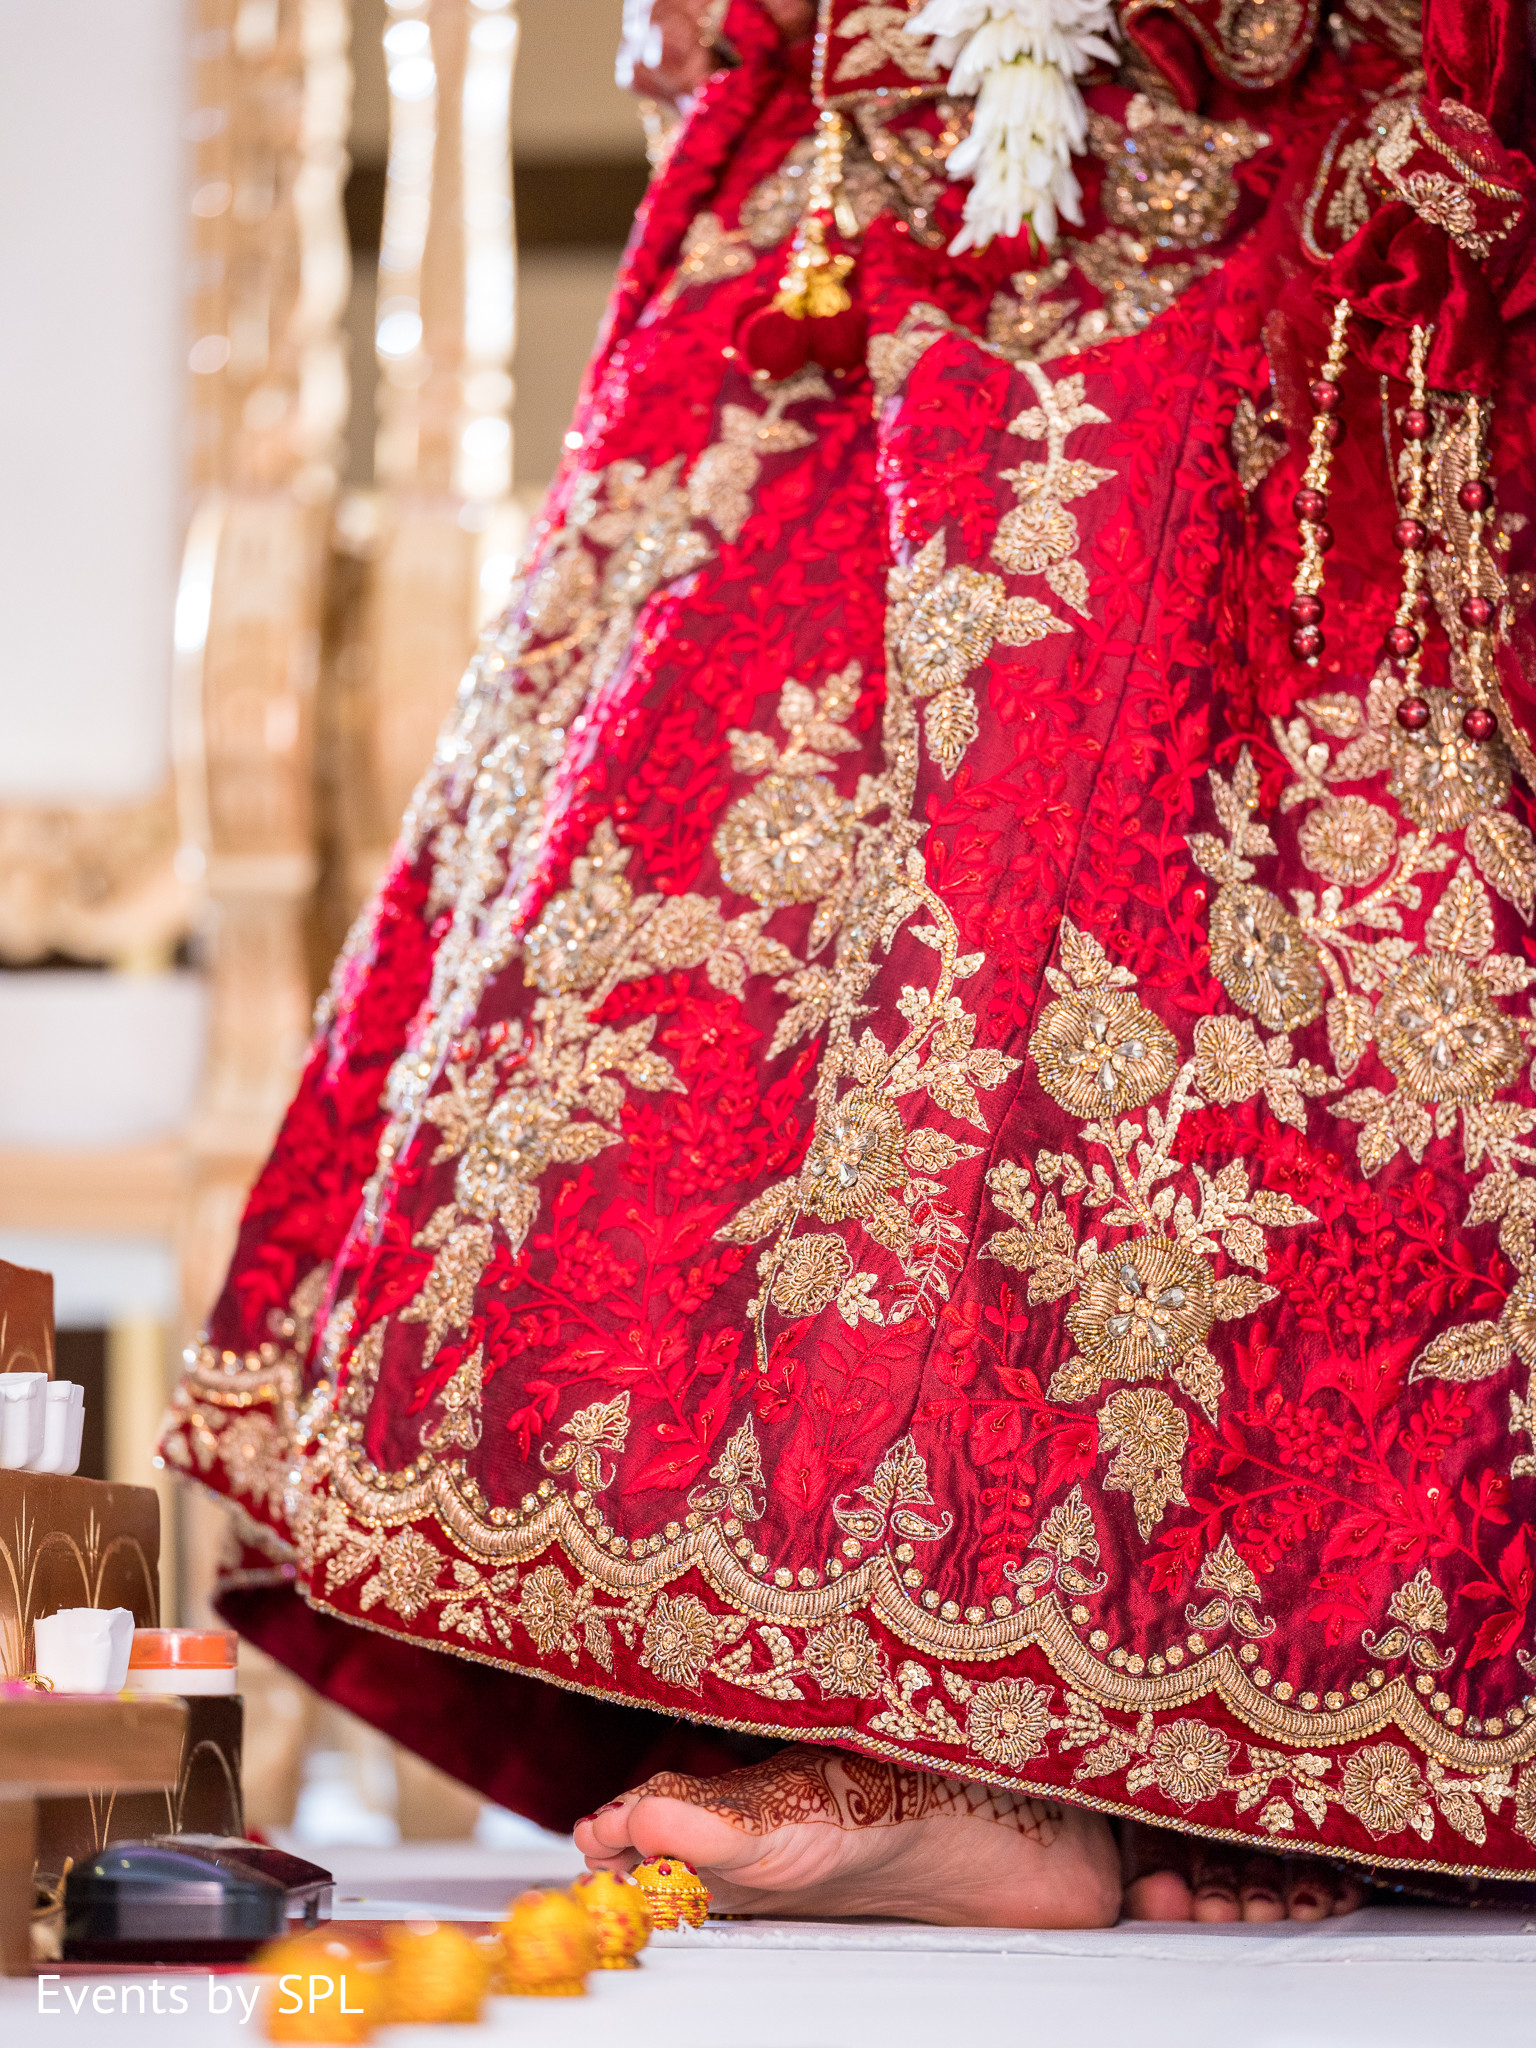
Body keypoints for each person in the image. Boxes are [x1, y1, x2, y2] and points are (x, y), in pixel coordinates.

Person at [164, 0, 1536, 1927]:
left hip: (1312, 145)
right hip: (927, 138)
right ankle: (984, 1763)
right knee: (849, 763)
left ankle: (1157, 1771)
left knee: (1235, 774)